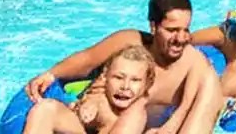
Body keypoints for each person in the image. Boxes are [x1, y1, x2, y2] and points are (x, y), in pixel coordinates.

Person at [25, 0, 222, 134]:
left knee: (135, 115)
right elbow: (87, 60)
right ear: (154, 27)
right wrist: (52, 74)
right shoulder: (129, 42)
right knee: (45, 109)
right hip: (93, 124)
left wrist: (166, 130)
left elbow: (192, 110)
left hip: (134, 129)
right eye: (172, 30)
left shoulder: (195, 65)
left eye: (185, 29)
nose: (181, 38)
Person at [23, 45, 154, 134]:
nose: (125, 86)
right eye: (118, 77)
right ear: (105, 76)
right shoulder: (98, 94)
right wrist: (87, 103)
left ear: (147, 83)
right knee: (46, 108)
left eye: (135, 80)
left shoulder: (138, 114)